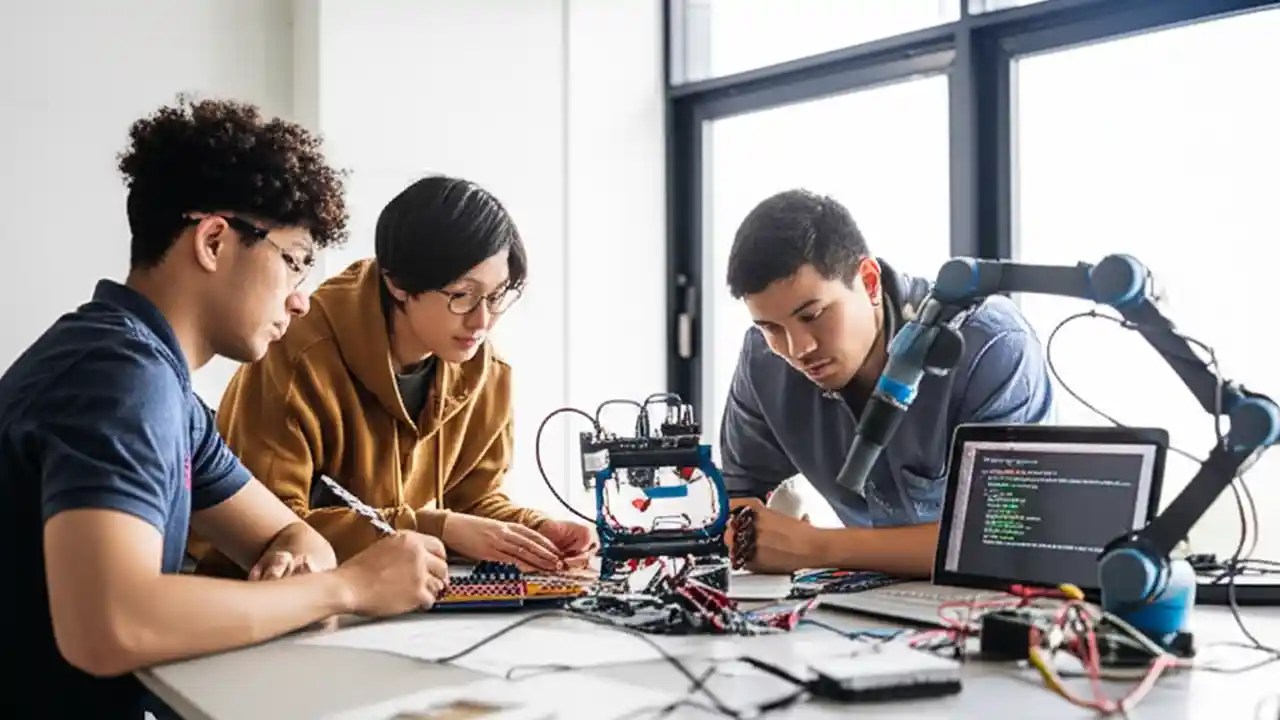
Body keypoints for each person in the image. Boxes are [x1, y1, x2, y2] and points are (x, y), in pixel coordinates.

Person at [0, 97, 451, 719]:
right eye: (294, 263)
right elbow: (110, 625)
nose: (299, 302)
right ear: (214, 240)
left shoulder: (164, 389)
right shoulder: (119, 380)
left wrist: (301, 570)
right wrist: (349, 586)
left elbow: (295, 534)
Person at [189, 175, 597, 578]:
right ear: (398, 283)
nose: (482, 320)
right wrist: (435, 528)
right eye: (462, 294)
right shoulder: (296, 353)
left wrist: (534, 530)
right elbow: (266, 534)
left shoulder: (486, 373)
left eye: (496, 295)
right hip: (265, 598)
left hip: (397, 600)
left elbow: (472, 502)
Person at [720, 189, 1053, 577]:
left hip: (988, 602)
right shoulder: (762, 359)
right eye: (771, 327)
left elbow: (1008, 540)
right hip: (862, 601)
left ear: (869, 281)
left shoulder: (991, 345)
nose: (798, 349)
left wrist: (816, 548)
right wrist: (754, 535)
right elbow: (740, 498)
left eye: (813, 315)